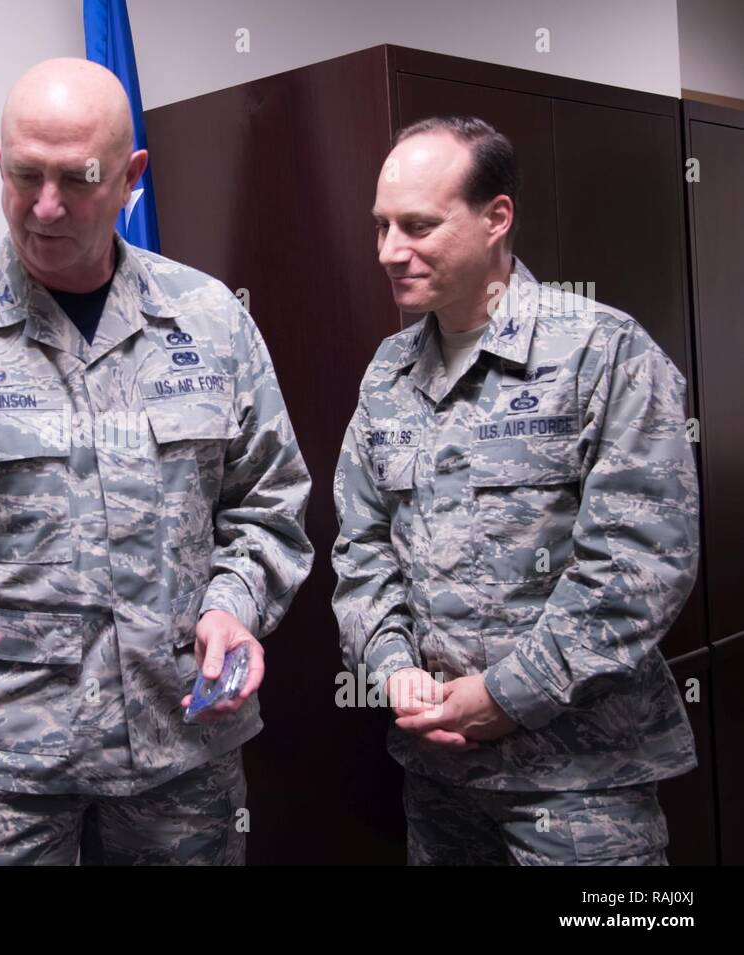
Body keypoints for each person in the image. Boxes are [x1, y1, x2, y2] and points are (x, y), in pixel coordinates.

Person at [0, 57, 312, 865]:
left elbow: (268, 504)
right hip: (2, 766)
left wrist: (234, 603)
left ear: (131, 177)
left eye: (79, 179)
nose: (46, 206)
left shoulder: (210, 321)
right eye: (25, 175)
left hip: (183, 748)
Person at [332, 116, 699, 864]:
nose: (388, 252)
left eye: (417, 226)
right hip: (438, 781)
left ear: (496, 217)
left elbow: (639, 565)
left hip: (583, 783)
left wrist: (508, 693)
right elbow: (361, 546)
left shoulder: (603, 351)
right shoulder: (388, 373)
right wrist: (392, 669)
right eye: (380, 227)